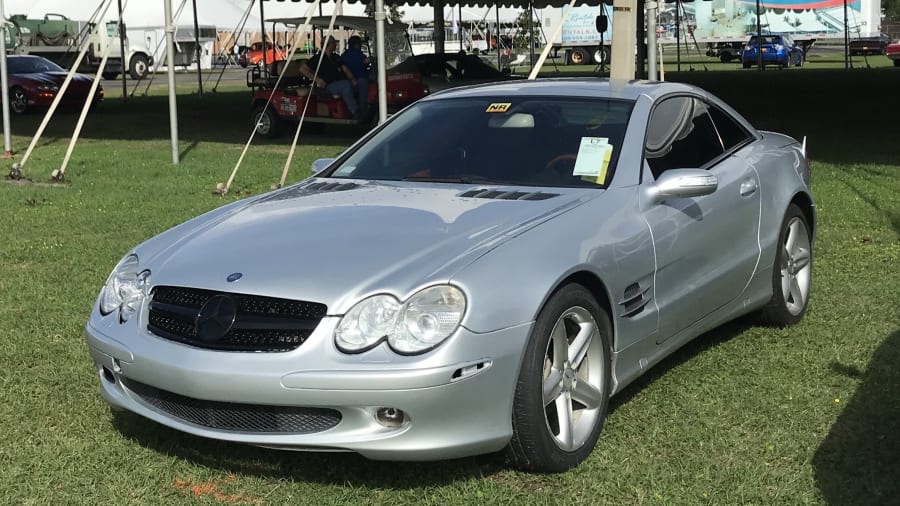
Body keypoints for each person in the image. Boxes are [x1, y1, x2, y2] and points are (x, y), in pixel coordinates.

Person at [299, 37, 359, 118]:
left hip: (340, 83)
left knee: (359, 83)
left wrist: (352, 79)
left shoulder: (336, 57)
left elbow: (345, 69)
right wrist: (317, 79)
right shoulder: (318, 58)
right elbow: (302, 69)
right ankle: (355, 111)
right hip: (327, 86)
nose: (335, 45)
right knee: (345, 85)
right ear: (328, 45)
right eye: (334, 43)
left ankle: (362, 108)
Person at [341, 35, 370, 119]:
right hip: (359, 79)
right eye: (360, 44)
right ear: (356, 44)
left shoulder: (345, 54)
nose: (360, 46)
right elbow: (365, 61)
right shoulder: (356, 53)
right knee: (364, 88)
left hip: (349, 80)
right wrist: (373, 59)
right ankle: (362, 110)